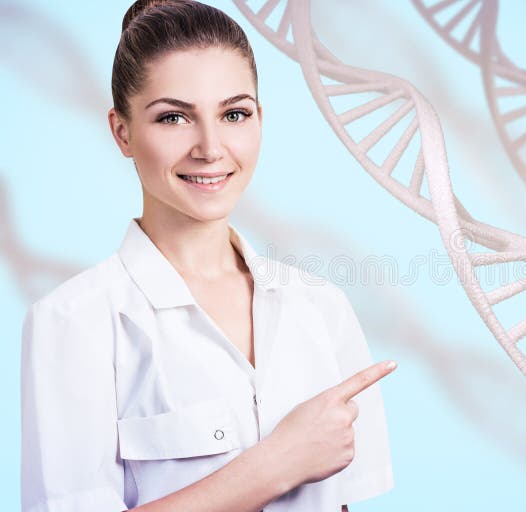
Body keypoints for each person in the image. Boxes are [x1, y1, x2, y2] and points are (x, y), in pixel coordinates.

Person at [19, 1, 396, 510]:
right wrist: (279, 461)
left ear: (260, 120)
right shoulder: (73, 323)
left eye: (234, 114)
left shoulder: (321, 308)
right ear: (122, 131)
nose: (210, 147)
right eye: (174, 117)